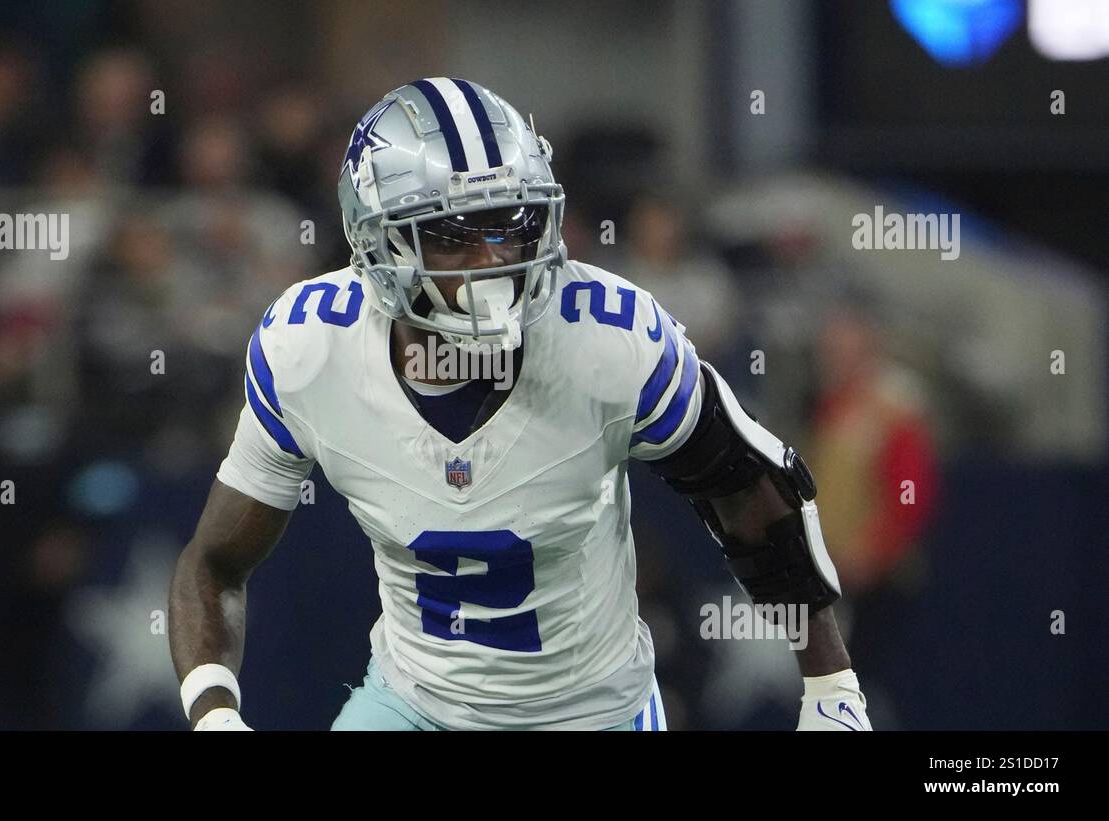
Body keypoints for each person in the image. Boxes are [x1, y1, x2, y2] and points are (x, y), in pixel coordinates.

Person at [169, 78, 869, 731]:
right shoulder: (311, 348)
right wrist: (214, 714)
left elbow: (749, 489)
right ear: (376, 241)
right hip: (413, 704)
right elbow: (214, 562)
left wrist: (831, 685)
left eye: (509, 222)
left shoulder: (607, 338)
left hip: (591, 714)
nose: (492, 258)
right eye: (452, 234)